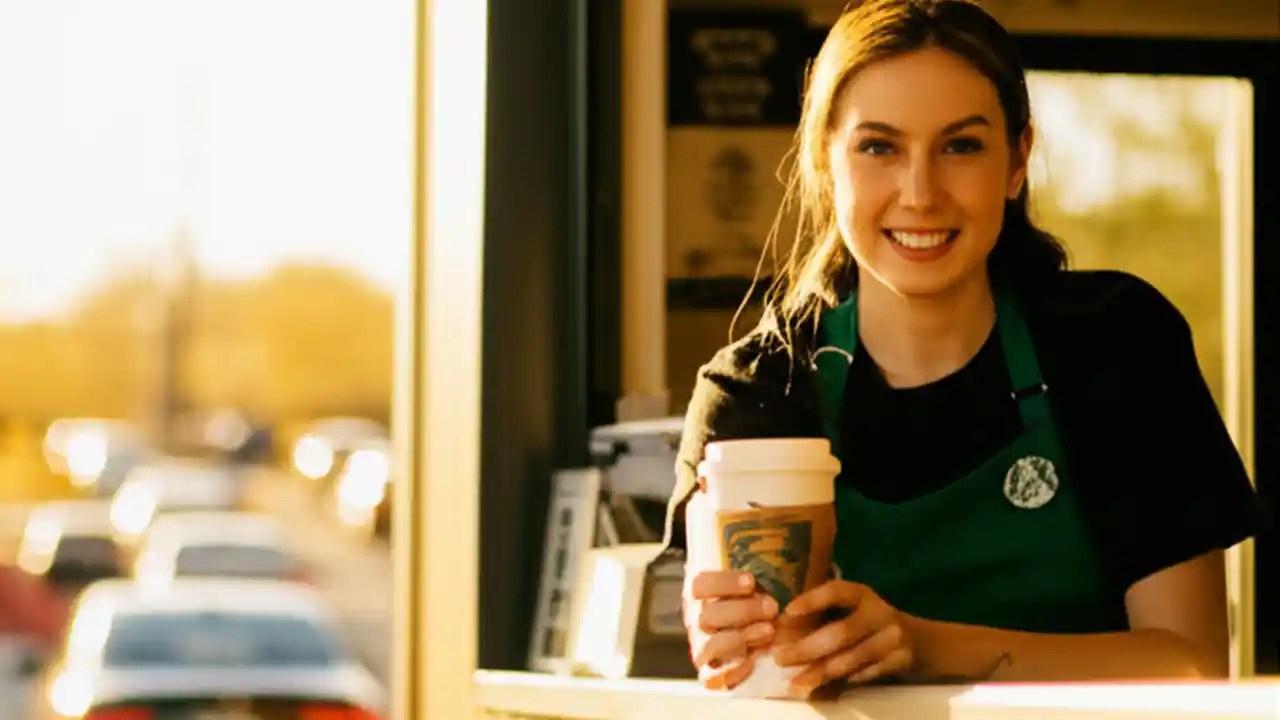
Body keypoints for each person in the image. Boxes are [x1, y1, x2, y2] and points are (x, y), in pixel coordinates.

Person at [667, 0, 1266, 698]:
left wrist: (922, 646)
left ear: (1017, 162)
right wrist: (724, 632)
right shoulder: (755, 392)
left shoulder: (1116, 344)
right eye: (879, 146)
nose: (920, 194)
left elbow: (1191, 665)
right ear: (826, 164)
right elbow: (731, 660)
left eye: (961, 146)